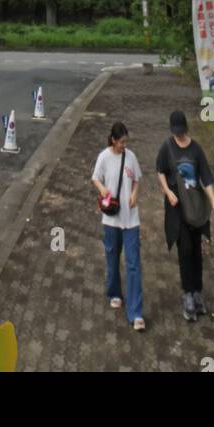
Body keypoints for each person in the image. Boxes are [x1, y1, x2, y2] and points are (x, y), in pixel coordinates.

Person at [155, 110, 214, 322]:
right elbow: (160, 171)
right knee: (185, 249)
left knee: (197, 252)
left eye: (181, 132)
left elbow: (207, 178)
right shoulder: (167, 147)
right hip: (177, 209)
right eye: (176, 132)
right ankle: (188, 294)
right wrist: (168, 191)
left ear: (186, 129)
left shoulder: (196, 149)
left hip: (196, 208)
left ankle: (198, 291)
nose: (179, 136)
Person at [91, 121, 145, 330]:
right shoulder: (104, 157)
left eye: (126, 142)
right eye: (121, 142)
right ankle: (114, 292)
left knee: (133, 264)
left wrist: (134, 194)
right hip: (111, 219)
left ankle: (136, 313)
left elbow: (138, 180)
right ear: (113, 140)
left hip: (131, 219)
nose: (124, 145)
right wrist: (103, 189)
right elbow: (95, 177)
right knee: (112, 257)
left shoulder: (130, 157)